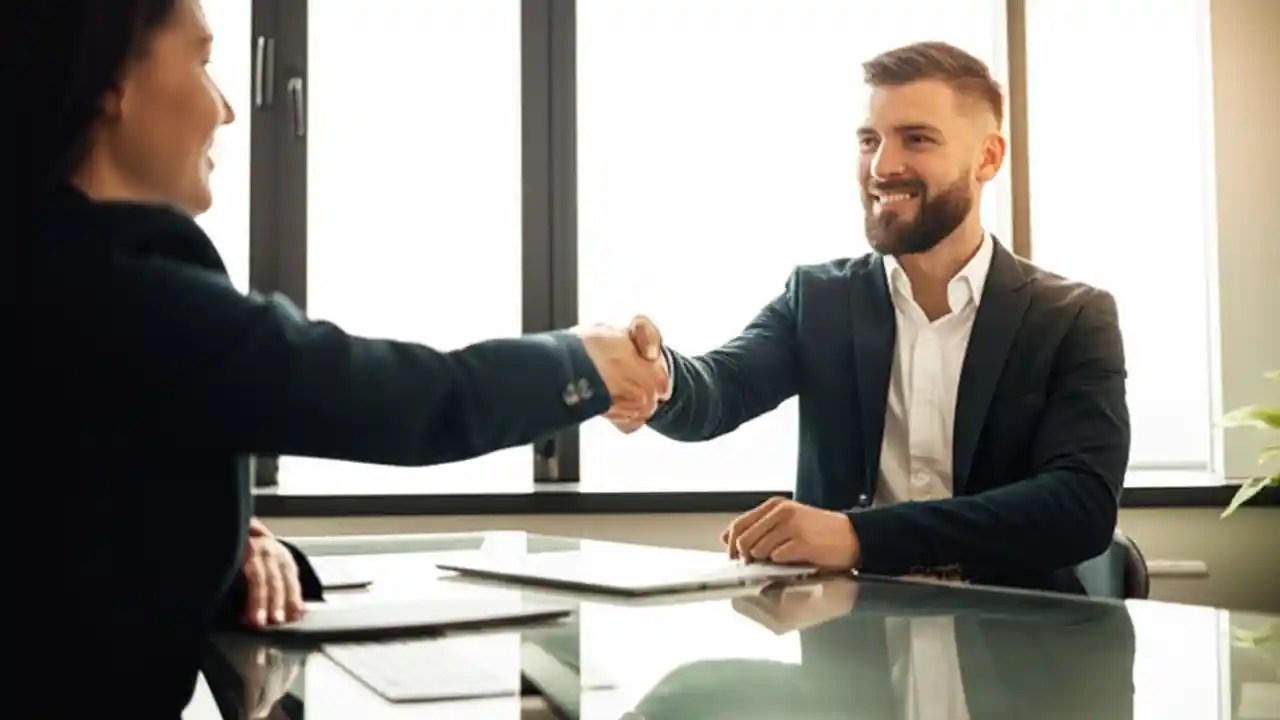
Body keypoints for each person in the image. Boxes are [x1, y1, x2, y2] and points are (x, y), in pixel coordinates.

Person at [10, 0, 666, 714]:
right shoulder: (119, 288)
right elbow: (409, 401)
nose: (227, 109)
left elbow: (88, 520)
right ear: (112, 79)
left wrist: (235, 545)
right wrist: (582, 361)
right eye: (201, 61)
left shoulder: (49, 273)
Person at [609, 41, 1129, 594]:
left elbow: (1080, 506)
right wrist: (658, 377)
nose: (882, 166)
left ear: (988, 158)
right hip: (851, 650)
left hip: (1018, 651)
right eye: (869, 141)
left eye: (917, 139)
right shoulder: (820, 299)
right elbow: (721, 388)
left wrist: (857, 537)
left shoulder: (1073, 317)